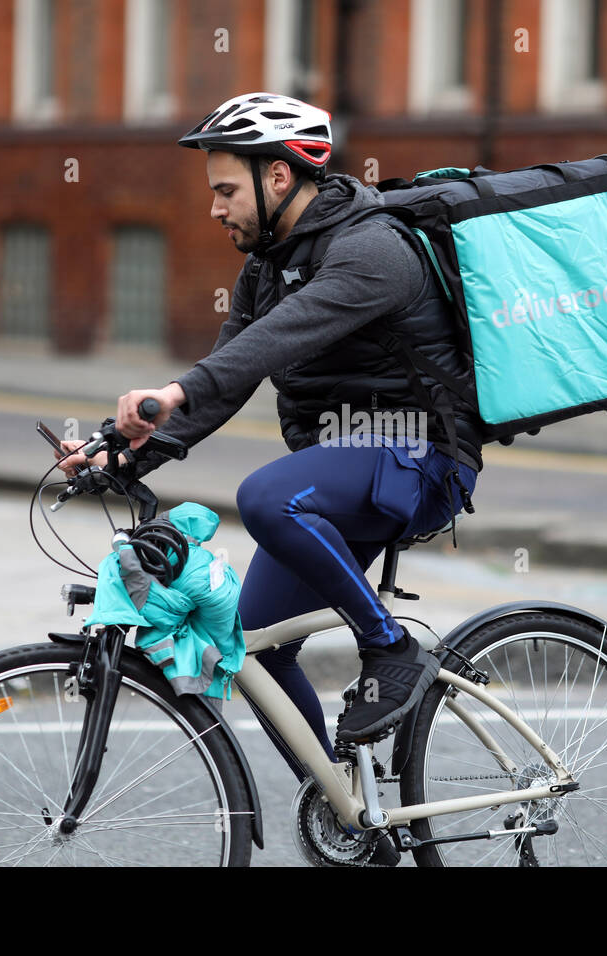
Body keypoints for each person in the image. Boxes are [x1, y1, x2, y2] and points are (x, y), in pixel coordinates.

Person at [58, 92, 483, 781]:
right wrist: (125, 449)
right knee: (251, 646)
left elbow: (272, 341)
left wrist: (173, 393)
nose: (215, 207)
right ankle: (353, 810)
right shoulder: (268, 265)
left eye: (226, 189)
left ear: (278, 177)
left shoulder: (372, 249)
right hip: (350, 467)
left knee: (264, 497)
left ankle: (389, 645)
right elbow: (228, 374)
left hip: (422, 457)